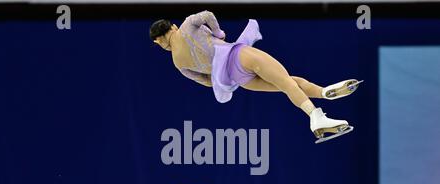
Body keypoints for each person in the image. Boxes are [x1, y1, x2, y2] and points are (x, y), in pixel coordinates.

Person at [149, 10, 363, 143]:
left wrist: (225, 79)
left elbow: (206, 82)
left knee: (287, 84)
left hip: (234, 77)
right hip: (238, 55)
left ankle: (324, 93)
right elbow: (207, 15)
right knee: (286, 81)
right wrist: (218, 33)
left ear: (159, 41)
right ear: (172, 27)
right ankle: (315, 116)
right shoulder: (186, 25)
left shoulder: (177, 63)